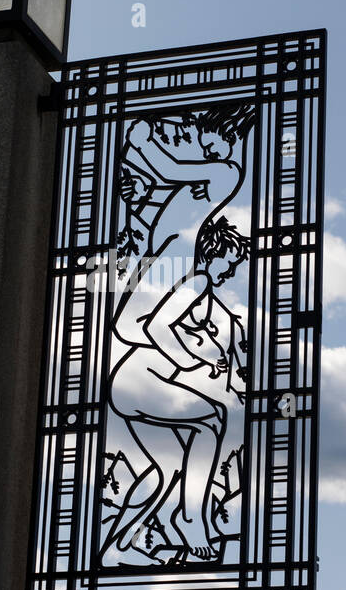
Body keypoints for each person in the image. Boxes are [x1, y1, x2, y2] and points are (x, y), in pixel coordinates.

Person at [100, 215, 249, 570]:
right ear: (215, 253)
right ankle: (190, 519)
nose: (231, 273)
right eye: (230, 264)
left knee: (164, 469)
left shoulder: (202, 291)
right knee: (212, 420)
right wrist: (193, 360)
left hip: (133, 383)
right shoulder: (196, 282)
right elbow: (157, 325)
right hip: (140, 378)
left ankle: (118, 545)